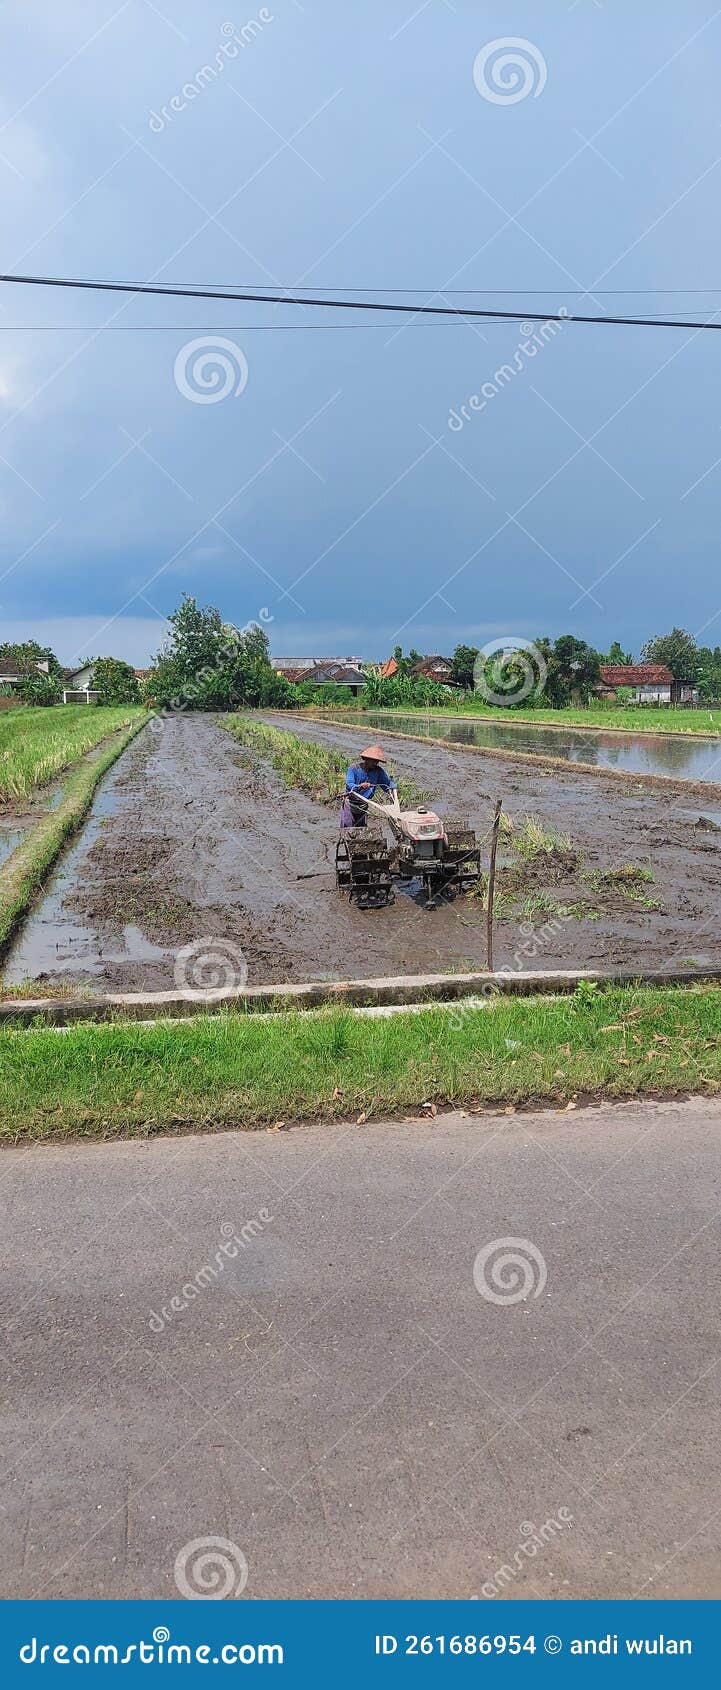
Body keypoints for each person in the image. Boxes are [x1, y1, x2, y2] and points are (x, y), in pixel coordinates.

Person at [344, 745, 397, 827]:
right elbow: (349, 784)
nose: (376, 763)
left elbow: (387, 784)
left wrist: (393, 788)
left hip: (364, 804)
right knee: (347, 828)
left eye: (377, 761)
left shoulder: (378, 771)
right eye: (374, 761)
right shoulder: (353, 769)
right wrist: (360, 786)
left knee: (361, 828)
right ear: (366, 759)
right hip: (351, 802)